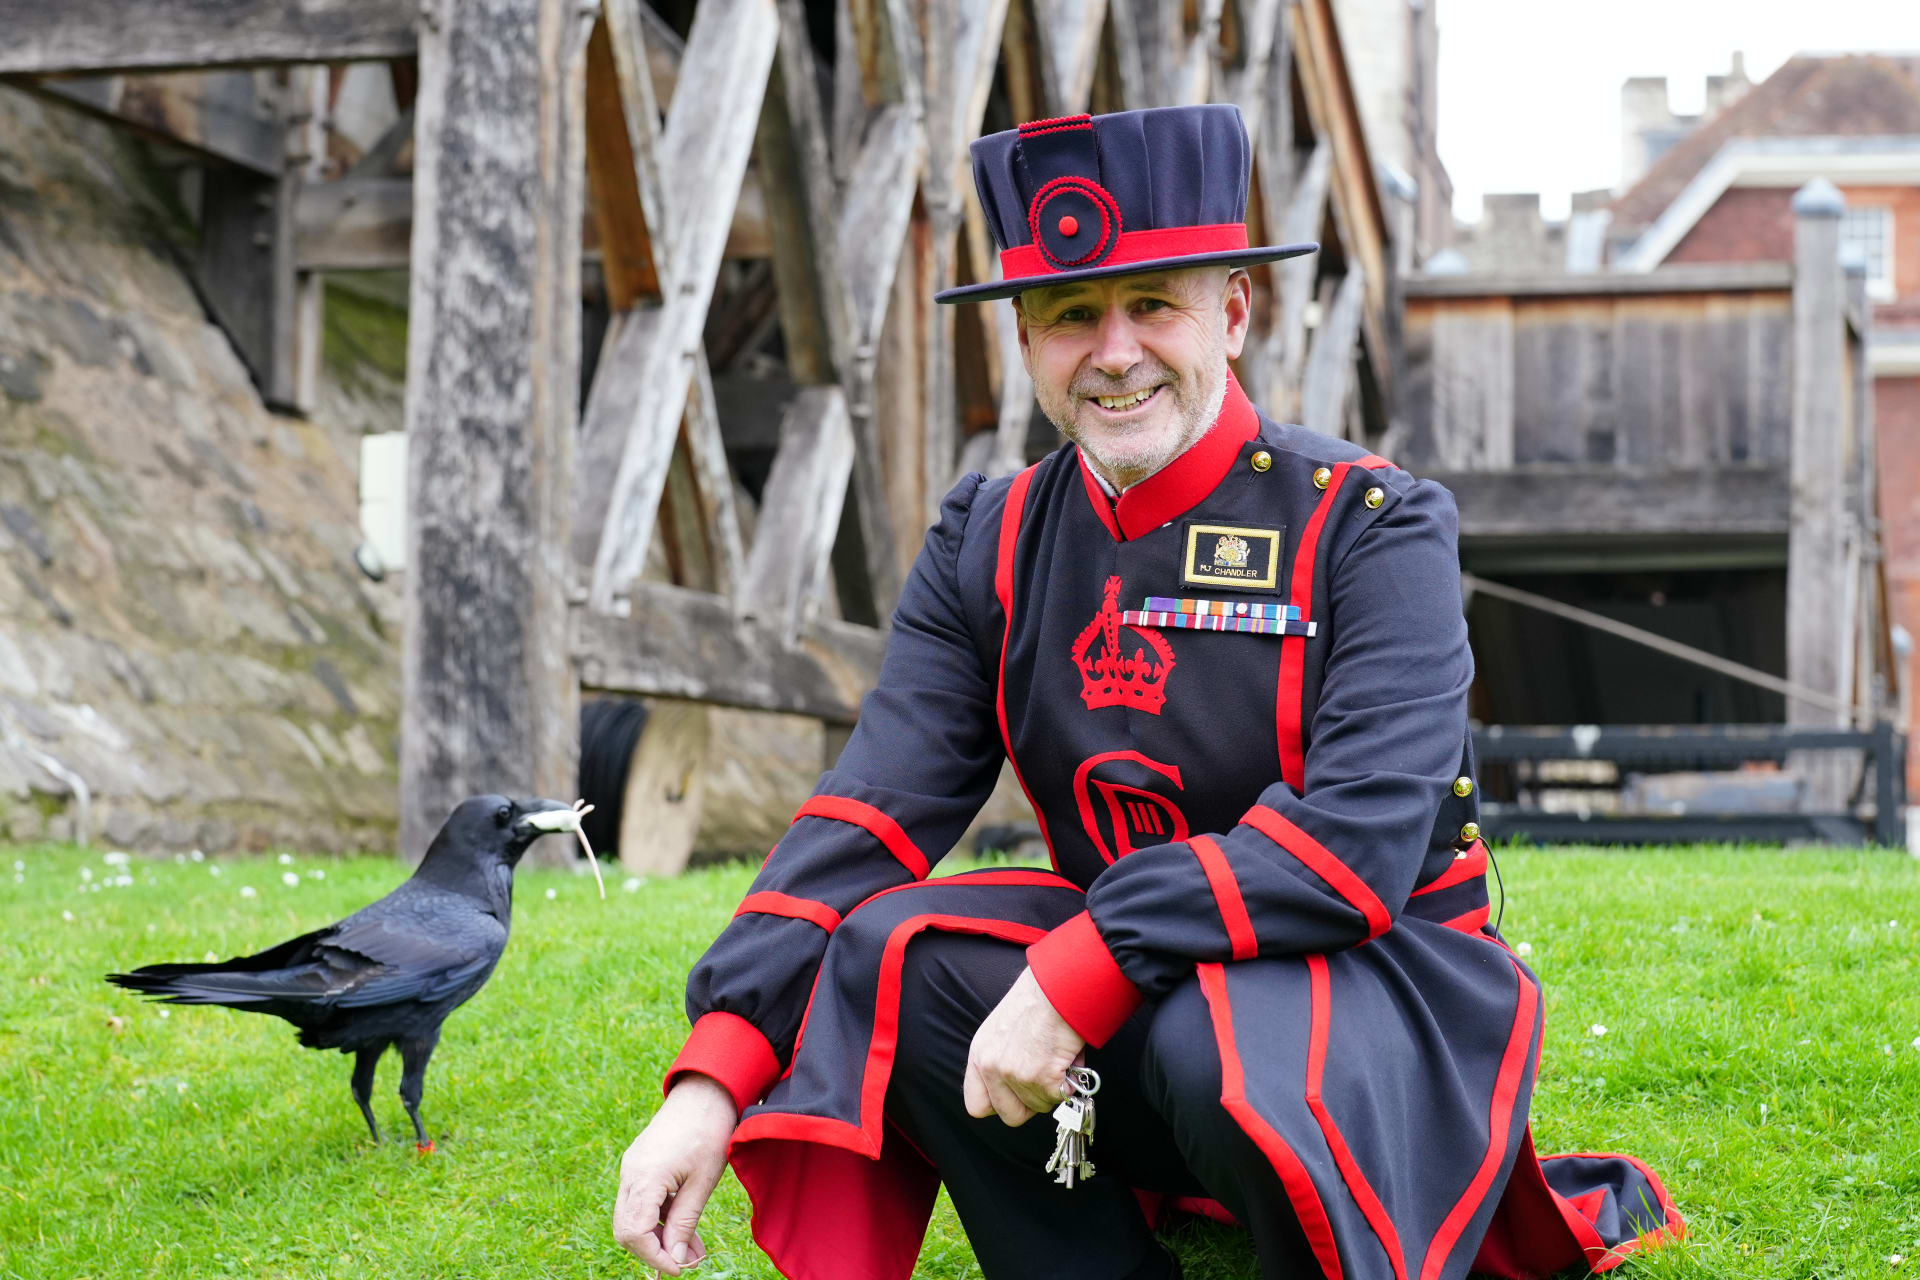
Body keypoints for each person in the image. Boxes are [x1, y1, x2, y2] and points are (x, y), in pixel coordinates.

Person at [612, 104, 1681, 1280]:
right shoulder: (991, 536)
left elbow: (1362, 838)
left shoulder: (1372, 524)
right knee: (891, 952)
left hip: (1377, 989)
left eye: (1154, 304)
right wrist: (714, 1073)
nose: (1113, 352)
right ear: (1025, 342)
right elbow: (870, 810)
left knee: (1201, 1029)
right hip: (1145, 993)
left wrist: (1085, 962)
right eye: (1072, 316)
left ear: (1233, 311)